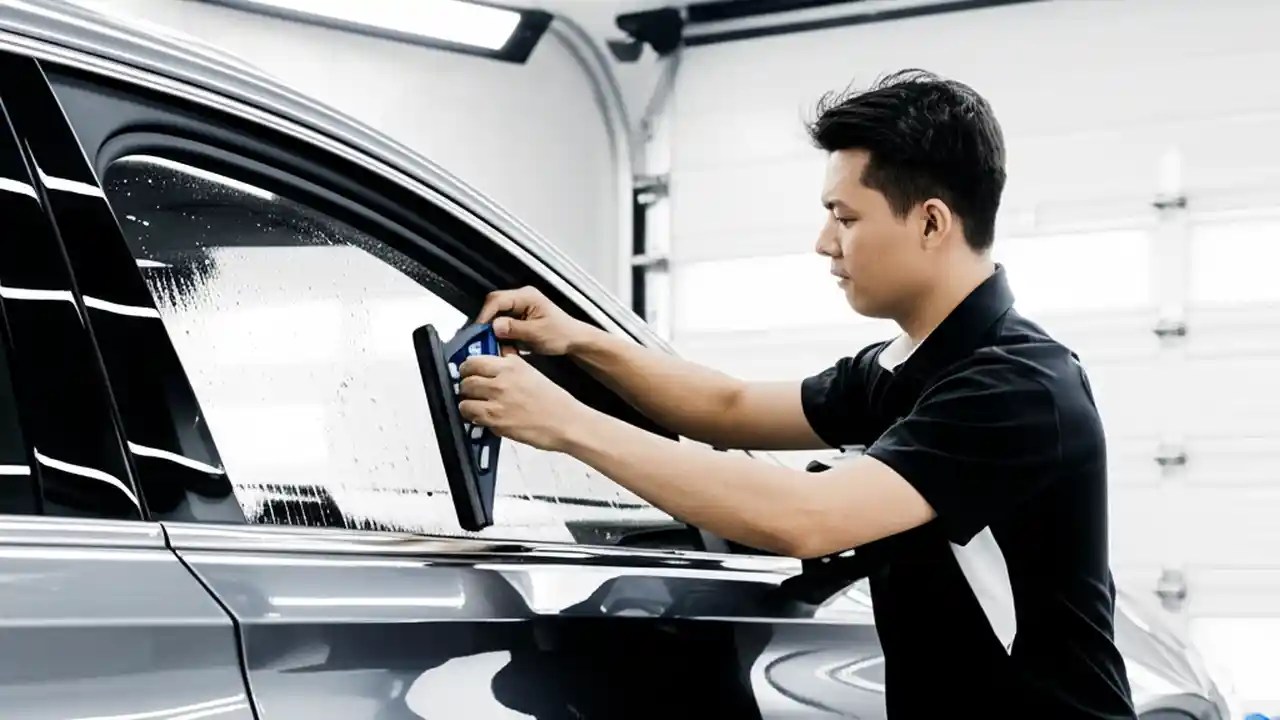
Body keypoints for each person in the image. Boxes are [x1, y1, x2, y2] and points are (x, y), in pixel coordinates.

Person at [456, 69, 1136, 718]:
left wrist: (565, 423)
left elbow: (804, 516)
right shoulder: (906, 369)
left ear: (931, 223)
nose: (823, 243)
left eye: (845, 217)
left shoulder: (1017, 388)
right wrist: (577, 340)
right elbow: (728, 408)